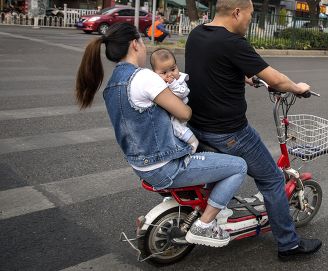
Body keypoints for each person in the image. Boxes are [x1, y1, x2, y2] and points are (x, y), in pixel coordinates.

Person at [75, 23, 247, 248]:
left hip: (141, 166)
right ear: (135, 44)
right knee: (238, 166)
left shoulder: (113, 84)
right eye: (143, 42)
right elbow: (184, 113)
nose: (145, 47)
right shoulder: (144, 78)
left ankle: (201, 209)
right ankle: (204, 226)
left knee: (209, 158)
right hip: (165, 166)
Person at [185, 0, 322, 260]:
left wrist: (245, 76)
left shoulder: (198, 34)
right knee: (272, 179)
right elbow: (276, 79)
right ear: (236, 12)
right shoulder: (233, 42)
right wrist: (297, 87)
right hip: (229, 132)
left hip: (198, 127)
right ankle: (289, 244)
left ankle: (219, 209)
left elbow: (212, 68)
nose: (250, 21)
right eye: (249, 15)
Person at [150, 48, 199, 153]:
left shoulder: (180, 80)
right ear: (154, 74)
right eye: (164, 72)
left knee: (177, 128)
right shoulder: (156, 82)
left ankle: (193, 141)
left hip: (178, 113)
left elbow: (183, 92)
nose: (170, 75)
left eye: (173, 69)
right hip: (167, 112)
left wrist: (173, 84)